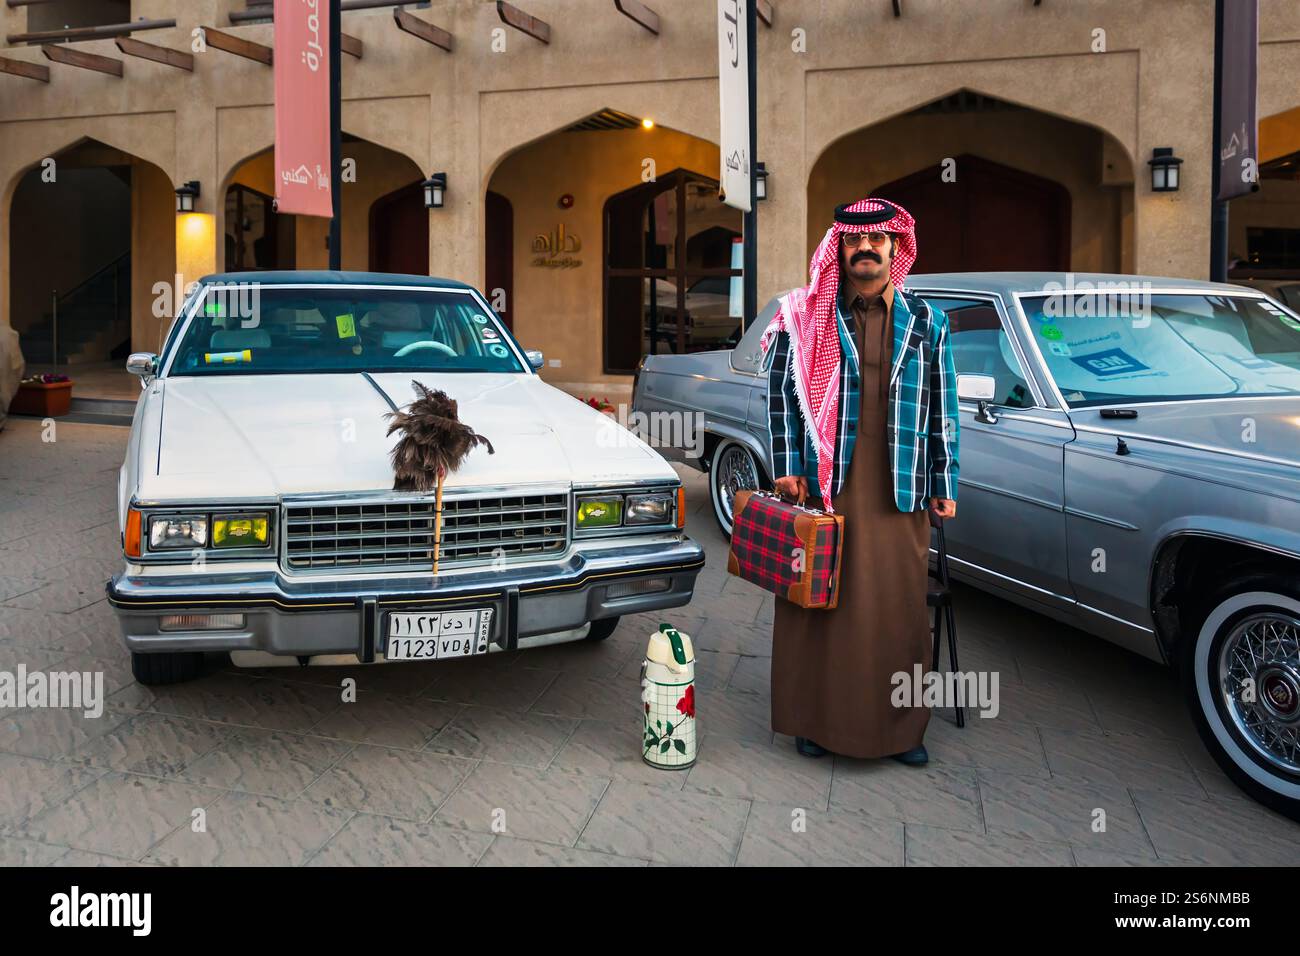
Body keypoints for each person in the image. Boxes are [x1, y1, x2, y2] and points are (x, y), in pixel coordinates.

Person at [761, 197, 959, 765]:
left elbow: (943, 405)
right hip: (824, 485)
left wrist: (945, 478)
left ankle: (899, 732)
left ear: (896, 247)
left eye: (877, 240)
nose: (865, 249)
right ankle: (812, 720)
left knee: (895, 610)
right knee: (817, 601)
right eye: (853, 241)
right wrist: (787, 464)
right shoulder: (805, 315)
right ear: (839, 248)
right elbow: (779, 395)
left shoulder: (928, 322)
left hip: (900, 488)